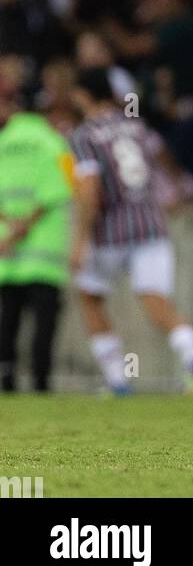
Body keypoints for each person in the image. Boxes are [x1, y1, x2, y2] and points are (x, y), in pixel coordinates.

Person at [68, 68, 193, 395]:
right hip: (151, 224)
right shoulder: (136, 125)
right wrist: (177, 190)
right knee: (156, 301)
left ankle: (117, 380)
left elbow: (89, 189)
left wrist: (79, 240)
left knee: (90, 297)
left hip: (110, 230)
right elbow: (163, 158)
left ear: (82, 95)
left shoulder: (84, 135)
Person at [0, 108, 74, 392]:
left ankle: (6, 383)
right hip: (45, 252)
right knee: (44, 324)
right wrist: (26, 225)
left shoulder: (3, 141)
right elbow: (63, 186)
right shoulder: (53, 141)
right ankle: (41, 383)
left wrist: (11, 228)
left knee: (8, 322)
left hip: (8, 251)